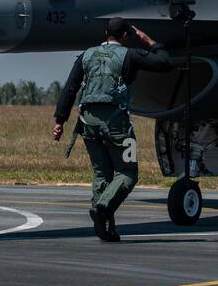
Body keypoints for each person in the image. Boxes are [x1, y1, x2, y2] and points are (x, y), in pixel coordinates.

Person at [53, 18, 171, 242]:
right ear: (126, 36)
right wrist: (148, 40)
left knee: (101, 174)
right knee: (128, 173)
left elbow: (71, 87)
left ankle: (106, 228)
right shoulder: (130, 55)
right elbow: (164, 63)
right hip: (117, 123)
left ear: (106, 33)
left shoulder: (86, 55)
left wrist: (60, 120)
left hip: (88, 123)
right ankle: (103, 208)